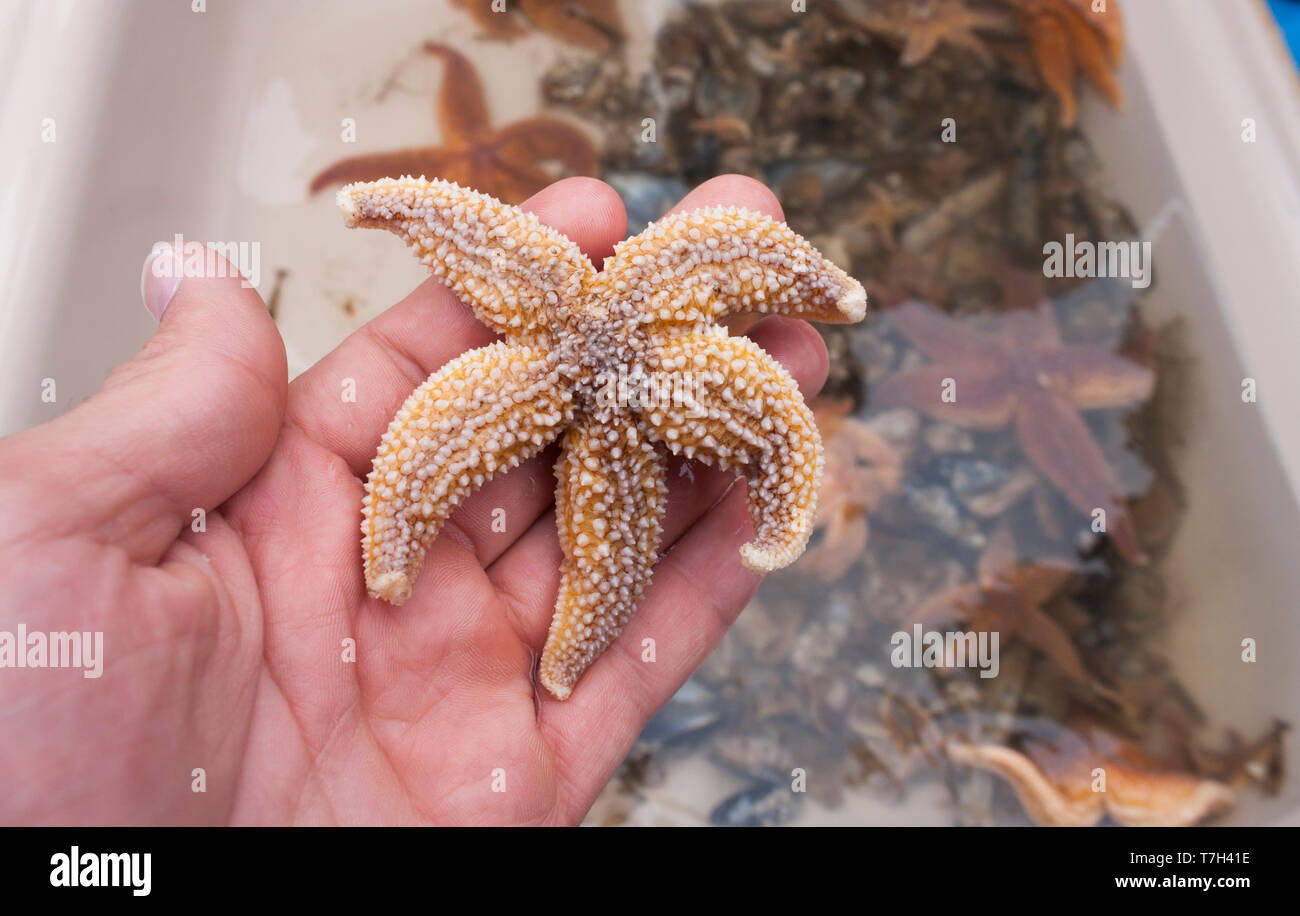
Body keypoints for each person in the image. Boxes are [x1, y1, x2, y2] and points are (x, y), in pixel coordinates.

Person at [0, 175, 830, 824]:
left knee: (588, 589)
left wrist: (821, 298)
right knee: (451, 501)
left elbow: (775, 414)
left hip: (602, 408)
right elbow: (429, 440)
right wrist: (389, 557)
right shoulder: (541, 300)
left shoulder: (574, 297)